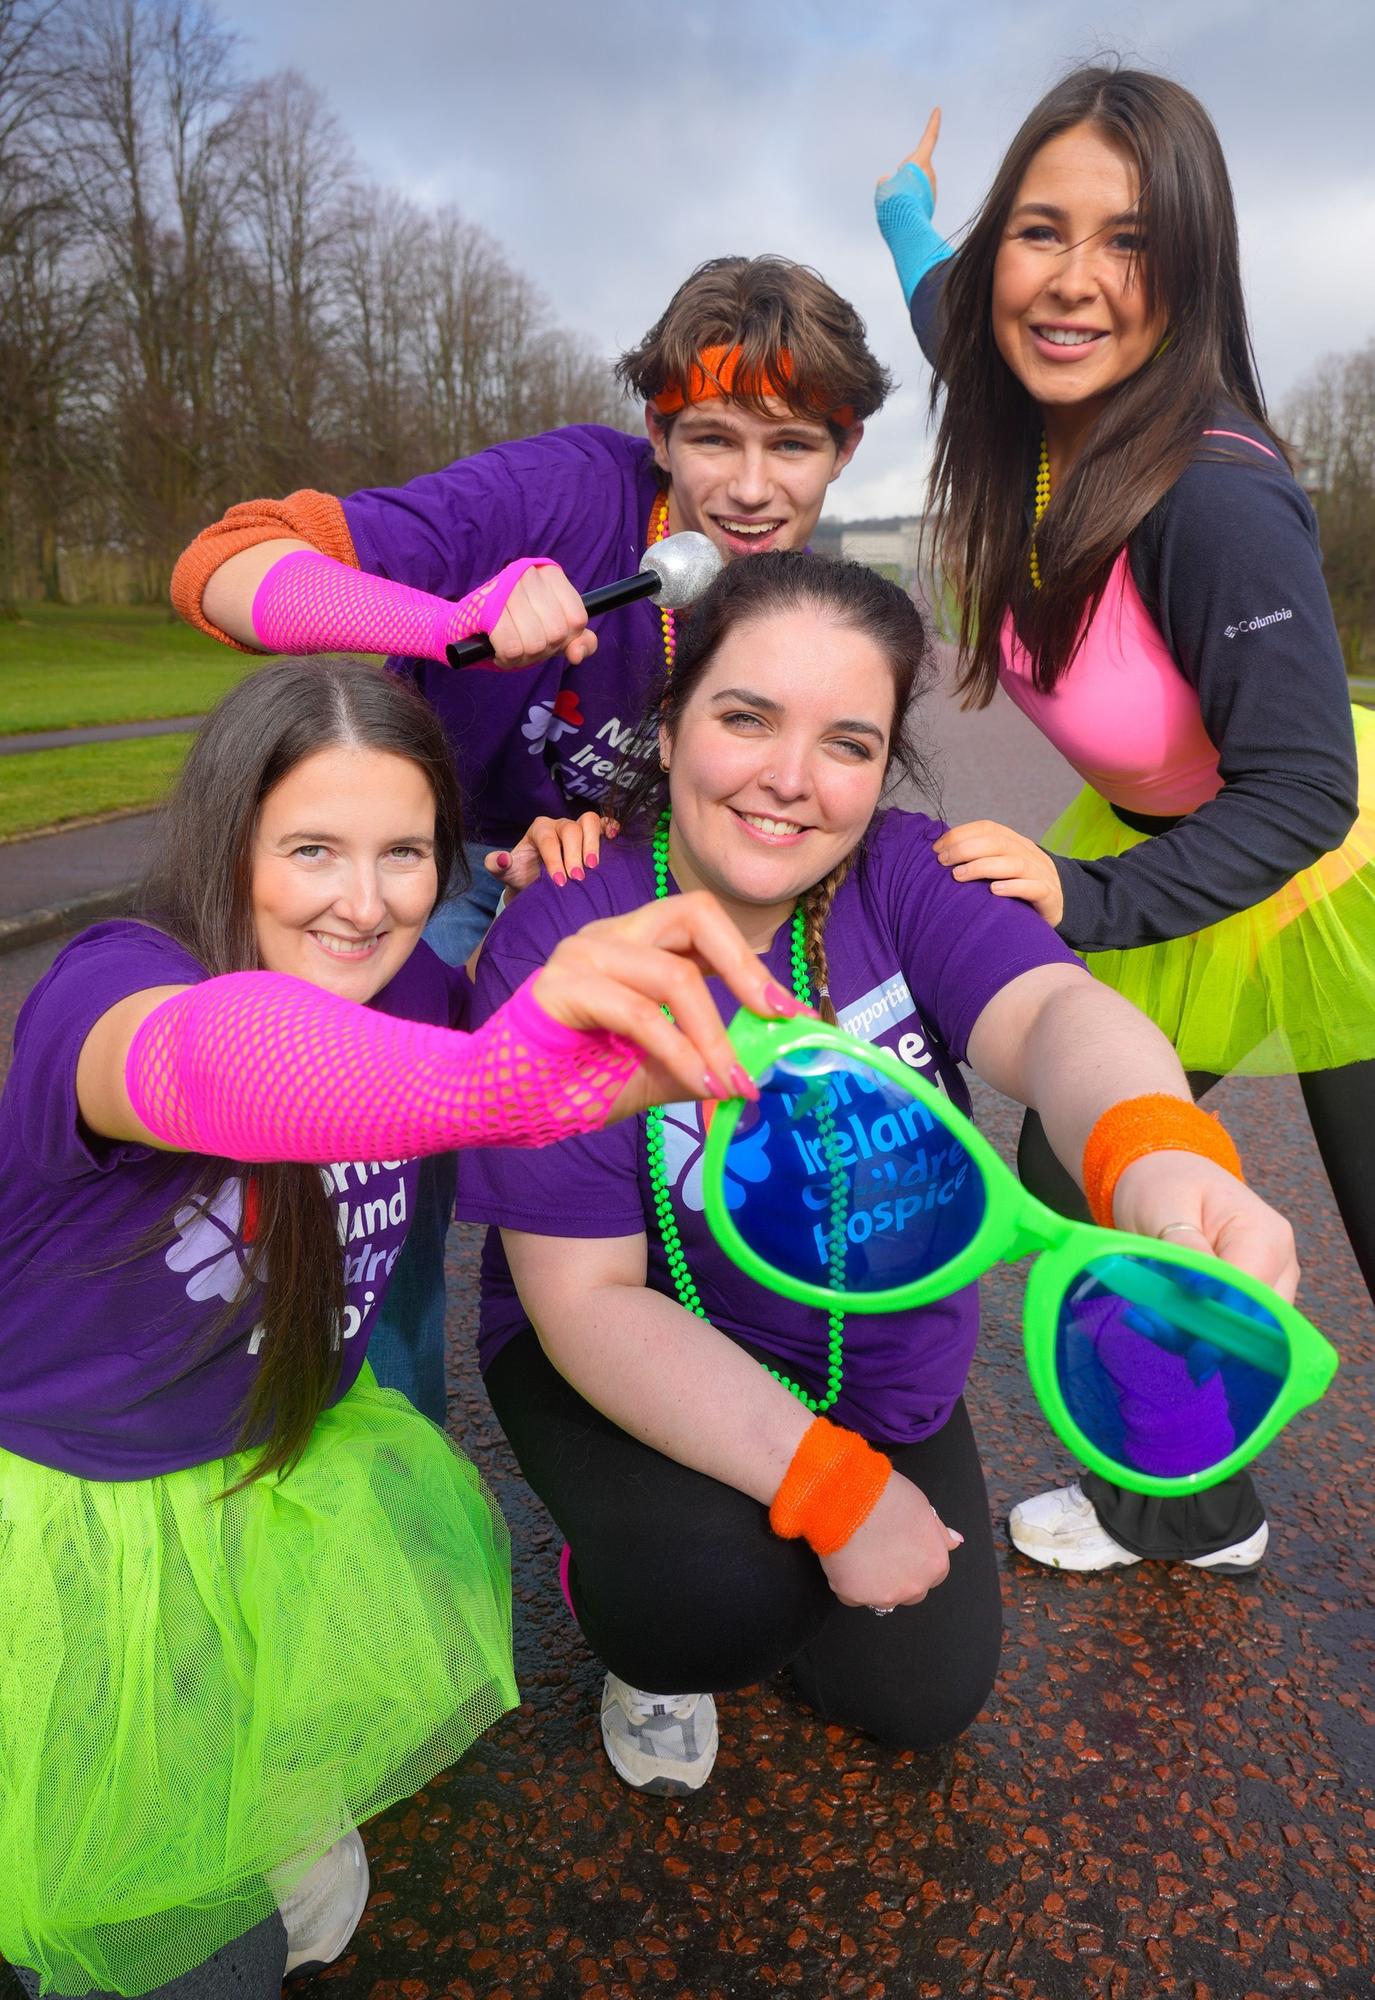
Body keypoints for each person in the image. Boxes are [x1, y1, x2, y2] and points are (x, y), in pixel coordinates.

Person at [0, 655, 796, 1999]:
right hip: (73, 1537)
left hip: (272, 1472)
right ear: (227, 839)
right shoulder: (110, 986)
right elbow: (208, 1057)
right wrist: (492, 1080)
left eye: (404, 854)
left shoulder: (420, 996)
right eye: (311, 848)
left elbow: (489, 1064)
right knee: (194, 1954)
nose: (361, 903)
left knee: (260, 1868)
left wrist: (569, 886)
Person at [456, 552, 1301, 1798]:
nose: (790, 779)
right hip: (621, 1351)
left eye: (846, 741)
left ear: (886, 763)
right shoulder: (563, 928)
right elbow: (584, 1299)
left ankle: (768, 1543)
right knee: (706, 1599)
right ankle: (631, 1593)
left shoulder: (904, 873)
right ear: (675, 719)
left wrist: (1157, 1150)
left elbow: (1055, 1014)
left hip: (877, 1371)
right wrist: (829, 1491)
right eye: (746, 718)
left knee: (916, 1703)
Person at [168, 254, 889, 1424]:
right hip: (427, 862)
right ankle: (374, 1432)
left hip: (585, 879)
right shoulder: (559, 491)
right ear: (658, 432)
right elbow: (224, 565)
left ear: (844, 450)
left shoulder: (790, 596)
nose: (750, 487)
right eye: (713, 438)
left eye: (793, 445)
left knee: (685, 1091)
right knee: (375, 1146)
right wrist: (449, 618)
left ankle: (652, 1413)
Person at [874, 67, 1374, 1576]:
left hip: (1319, 880)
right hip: (1171, 849)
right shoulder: (1012, 379)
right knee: (1088, 1181)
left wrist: (1081, 899)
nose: (1074, 281)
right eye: (1040, 232)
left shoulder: (1213, 495)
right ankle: (1192, 1515)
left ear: (1193, 267)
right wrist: (903, 204)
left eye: (1128, 243)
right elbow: (933, 291)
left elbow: (1301, 791)